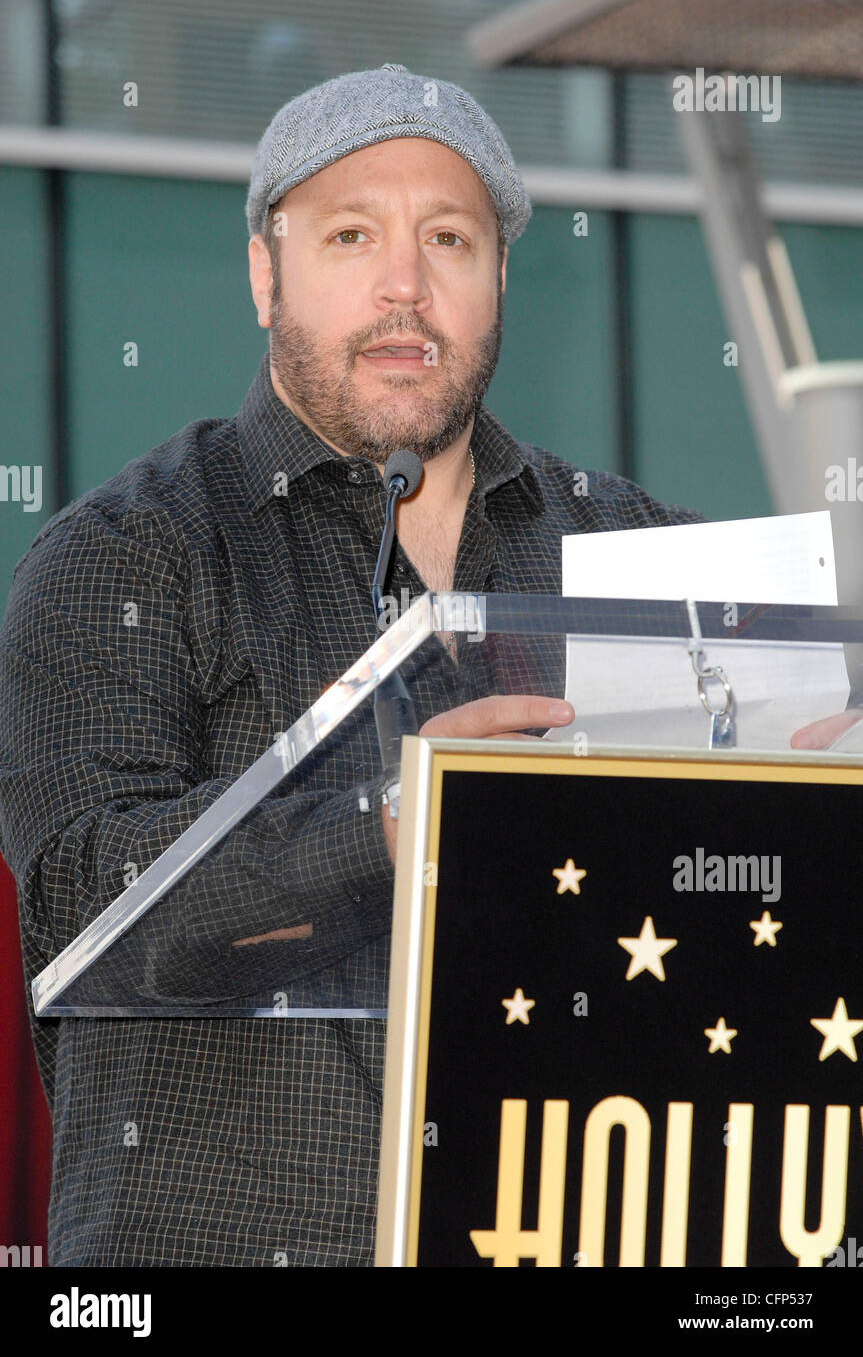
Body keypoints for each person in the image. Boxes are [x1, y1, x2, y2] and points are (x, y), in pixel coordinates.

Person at [0, 63, 850, 1268]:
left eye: (448, 238)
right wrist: (395, 820)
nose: (405, 284)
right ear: (263, 271)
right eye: (351, 234)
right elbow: (85, 902)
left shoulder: (645, 556)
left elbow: (746, 952)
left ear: (498, 276)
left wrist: (811, 828)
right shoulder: (122, 553)